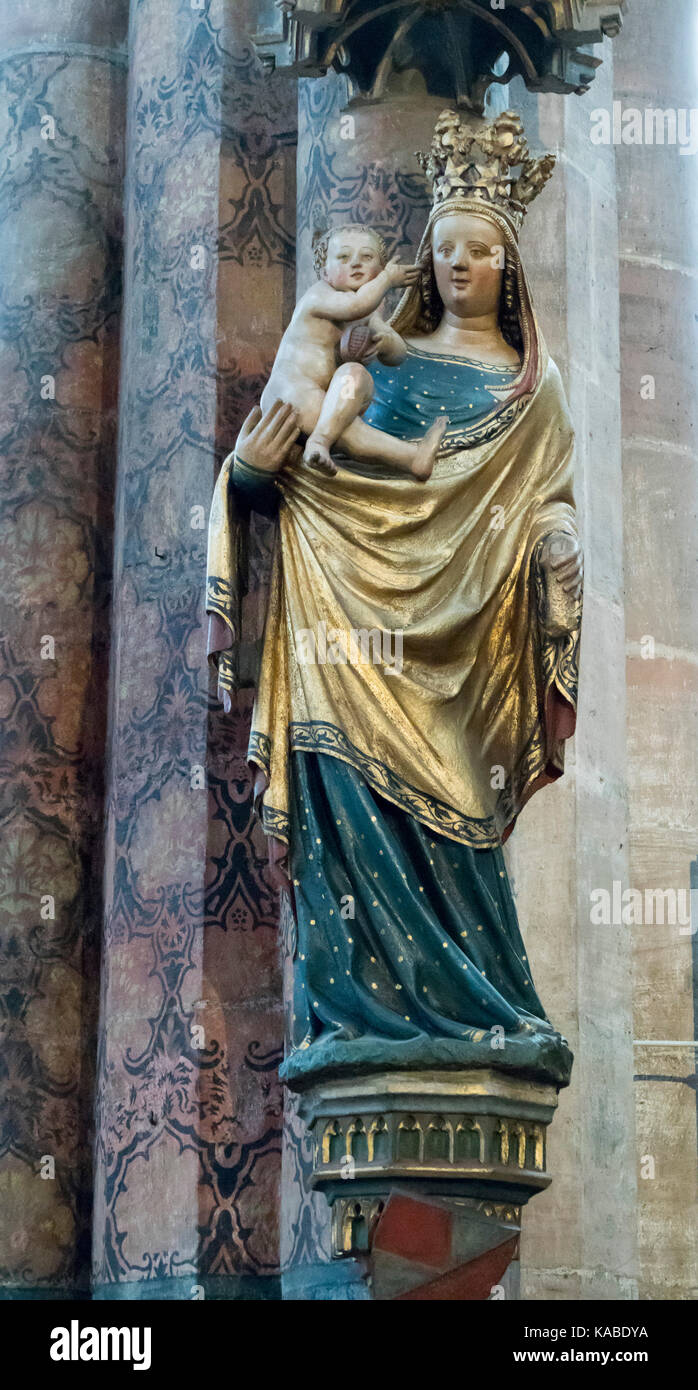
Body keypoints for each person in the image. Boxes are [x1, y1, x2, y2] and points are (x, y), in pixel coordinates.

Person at [207, 109, 583, 1092]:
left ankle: (480, 1014)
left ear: (508, 270)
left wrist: (553, 557)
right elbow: (284, 473)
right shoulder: (369, 366)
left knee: (457, 812)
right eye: (445, 248)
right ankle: (354, 1016)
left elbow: (544, 507)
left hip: (462, 657)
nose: (460, 264)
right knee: (345, 807)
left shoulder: (528, 394)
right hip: (341, 629)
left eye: (480, 250)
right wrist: (249, 469)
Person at [260, 223, 447, 479]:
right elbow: (356, 305)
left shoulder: (366, 315)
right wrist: (387, 280)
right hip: (291, 391)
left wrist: (384, 343)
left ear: (378, 267)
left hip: (331, 399)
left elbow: (398, 353)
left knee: (354, 376)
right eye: (344, 257)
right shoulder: (319, 297)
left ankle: (414, 459)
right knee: (346, 431)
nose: (355, 264)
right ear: (325, 272)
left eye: (366, 257)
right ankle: (323, 443)